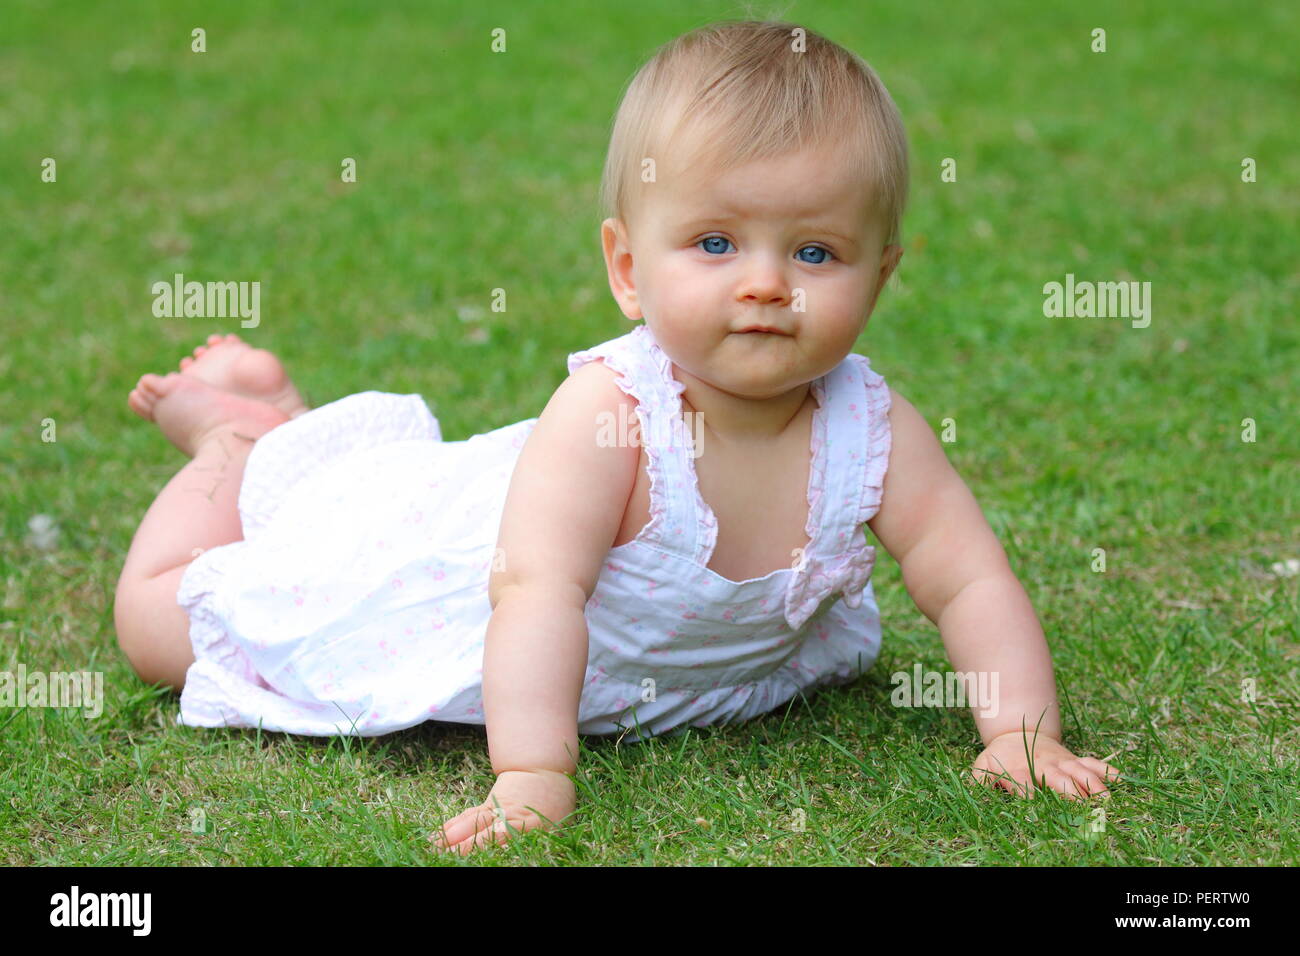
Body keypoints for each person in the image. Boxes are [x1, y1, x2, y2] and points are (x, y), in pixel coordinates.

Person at [114, 19, 1120, 856]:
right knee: (162, 623)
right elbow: (534, 590)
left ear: (880, 275)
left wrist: (1020, 732)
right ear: (628, 268)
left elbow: (966, 575)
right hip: (464, 580)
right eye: (716, 242)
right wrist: (532, 771)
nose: (765, 282)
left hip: (657, 652)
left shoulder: (874, 428)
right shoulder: (610, 418)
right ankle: (232, 443)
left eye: (815, 250)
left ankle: (273, 433)